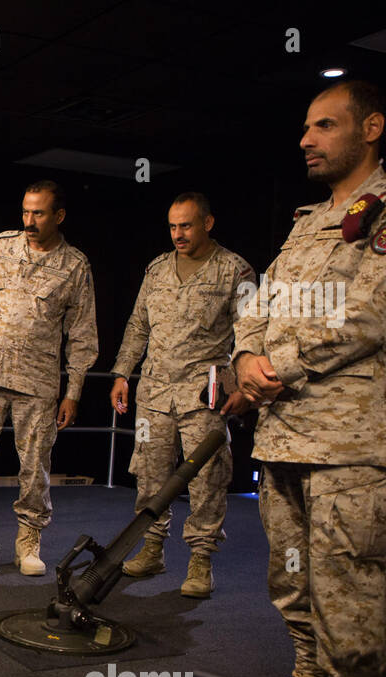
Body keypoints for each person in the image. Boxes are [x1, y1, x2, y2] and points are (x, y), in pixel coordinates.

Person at [231, 80, 386, 677]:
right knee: (291, 580)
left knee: (345, 584)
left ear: (371, 128)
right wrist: (246, 354)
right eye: (306, 128)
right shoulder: (306, 225)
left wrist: (277, 364)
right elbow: (256, 300)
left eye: (324, 125)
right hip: (282, 435)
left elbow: (369, 315)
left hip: (351, 442)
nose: (306, 139)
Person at [111, 193, 256, 597]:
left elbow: (249, 334)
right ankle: (153, 548)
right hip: (154, 391)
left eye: (187, 225)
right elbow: (138, 325)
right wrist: (122, 372)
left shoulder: (234, 270)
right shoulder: (157, 269)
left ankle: (201, 560)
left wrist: (241, 387)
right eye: (173, 226)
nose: (178, 234)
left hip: (203, 393)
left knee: (206, 479)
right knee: (151, 476)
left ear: (208, 223)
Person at [0, 181, 98, 574]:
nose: (29, 221)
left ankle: (29, 540)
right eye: (25, 212)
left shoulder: (74, 265)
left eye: (39, 213)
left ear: (59, 216)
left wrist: (74, 392)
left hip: (37, 383)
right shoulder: (1, 246)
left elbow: (83, 335)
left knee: (35, 466)